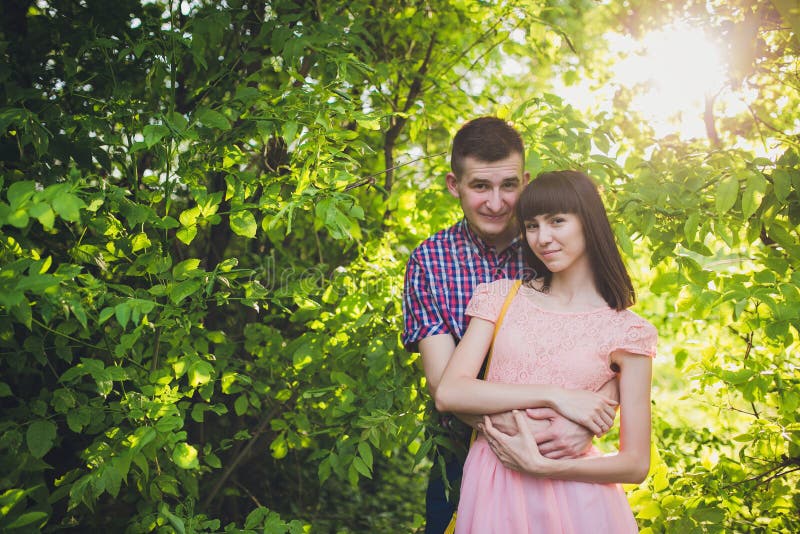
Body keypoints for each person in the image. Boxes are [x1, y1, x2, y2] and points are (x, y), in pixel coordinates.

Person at [402, 118, 619, 534]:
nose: (497, 202)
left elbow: (616, 346)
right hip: (464, 455)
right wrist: (524, 431)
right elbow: (443, 384)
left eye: (509, 185)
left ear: (526, 181)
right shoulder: (430, 262)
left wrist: (584, 423)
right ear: (454, 185)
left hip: (565, 449)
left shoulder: (553, 245)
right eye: (480, 186)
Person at [434, 169, 658, 533]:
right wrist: (556, 396)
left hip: (579, 501)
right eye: (532, 225)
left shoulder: (628, 332)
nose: (543, 238)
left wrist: (546, 467)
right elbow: (450, 392)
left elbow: (635, 464)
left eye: (557, 221)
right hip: (494, 487)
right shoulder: (501, 297)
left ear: (588, 222)